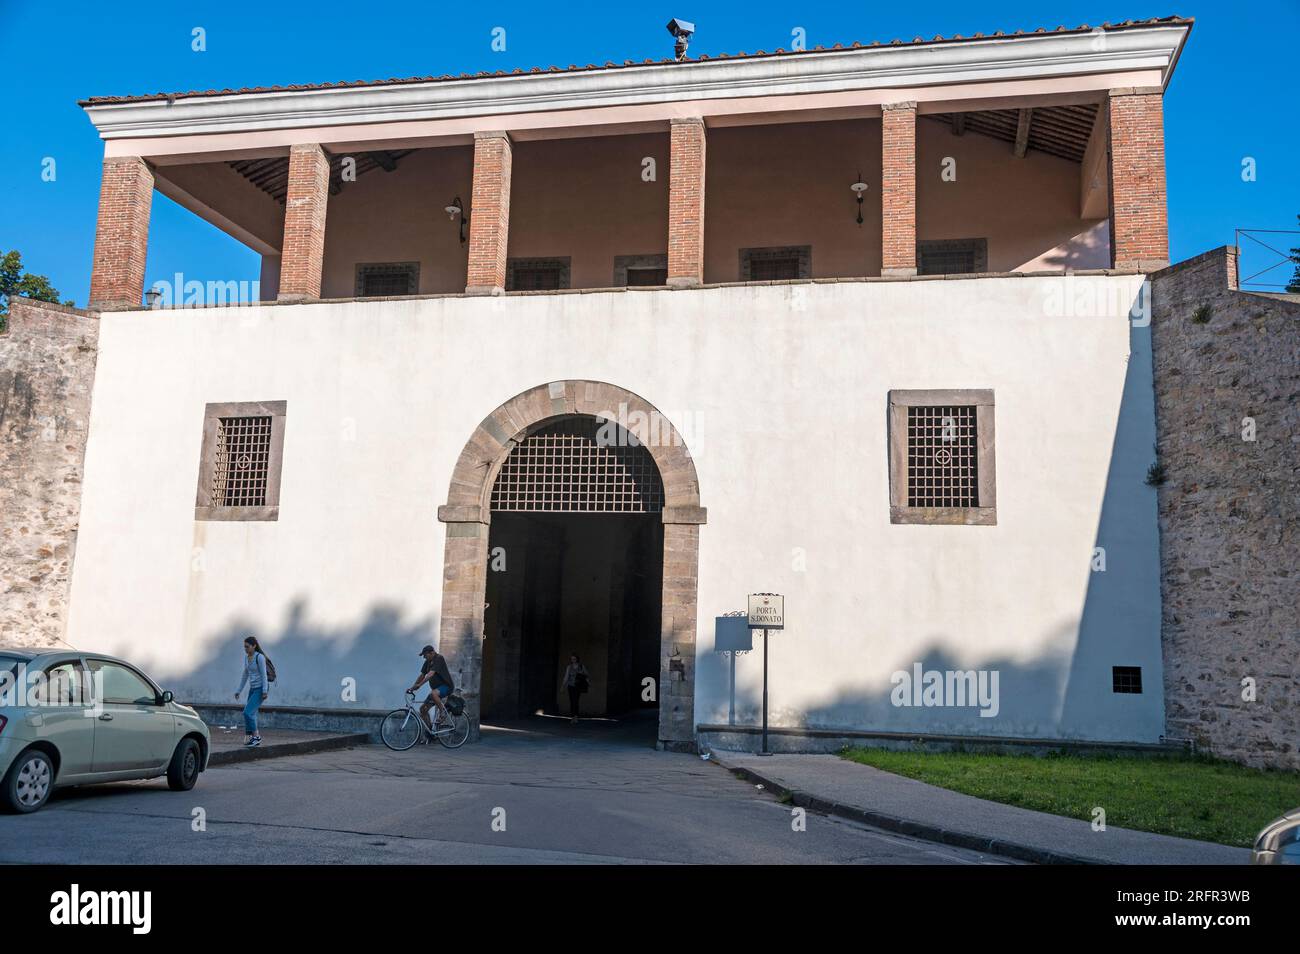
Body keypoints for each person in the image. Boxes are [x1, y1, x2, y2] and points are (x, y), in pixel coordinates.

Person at [233, 636, 272, 747]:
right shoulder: (246, 658)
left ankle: (256, 736)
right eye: (244, 647)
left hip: (260, 689)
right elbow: (245, 674)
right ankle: (252, 737)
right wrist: (238, 690)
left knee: (247, 712)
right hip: (253, 688)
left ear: (254, 646)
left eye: (247, 647)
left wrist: (264, 691)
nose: (245, 649)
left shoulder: (259, 657)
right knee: (251, 713)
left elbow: (264, 675)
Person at [409, 644, 454, 734]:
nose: (424, 657)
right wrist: (413, 687)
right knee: (423, 709)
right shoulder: (427, 662)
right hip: (436, 690)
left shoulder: (439, 658)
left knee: (434, 693)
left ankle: (443, 712)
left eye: (425, 655)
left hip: (446, 686)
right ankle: (430, 732)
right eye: (423, 656)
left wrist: (420, 685)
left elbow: (430, 674)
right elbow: (422, 675)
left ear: (432, 653)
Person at [560, 653, 589, 724]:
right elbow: (566, 677)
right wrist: (562, 686)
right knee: (572, 701)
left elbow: (587, 675)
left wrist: (587, 682)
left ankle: (576, 717)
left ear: (577, 659)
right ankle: (572, 717)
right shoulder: (569, 667)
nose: (573, 660)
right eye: (572, 659)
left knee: (576, 701)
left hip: (578, 686)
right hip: (571, 686)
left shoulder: (581, 666)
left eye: (574, 659)